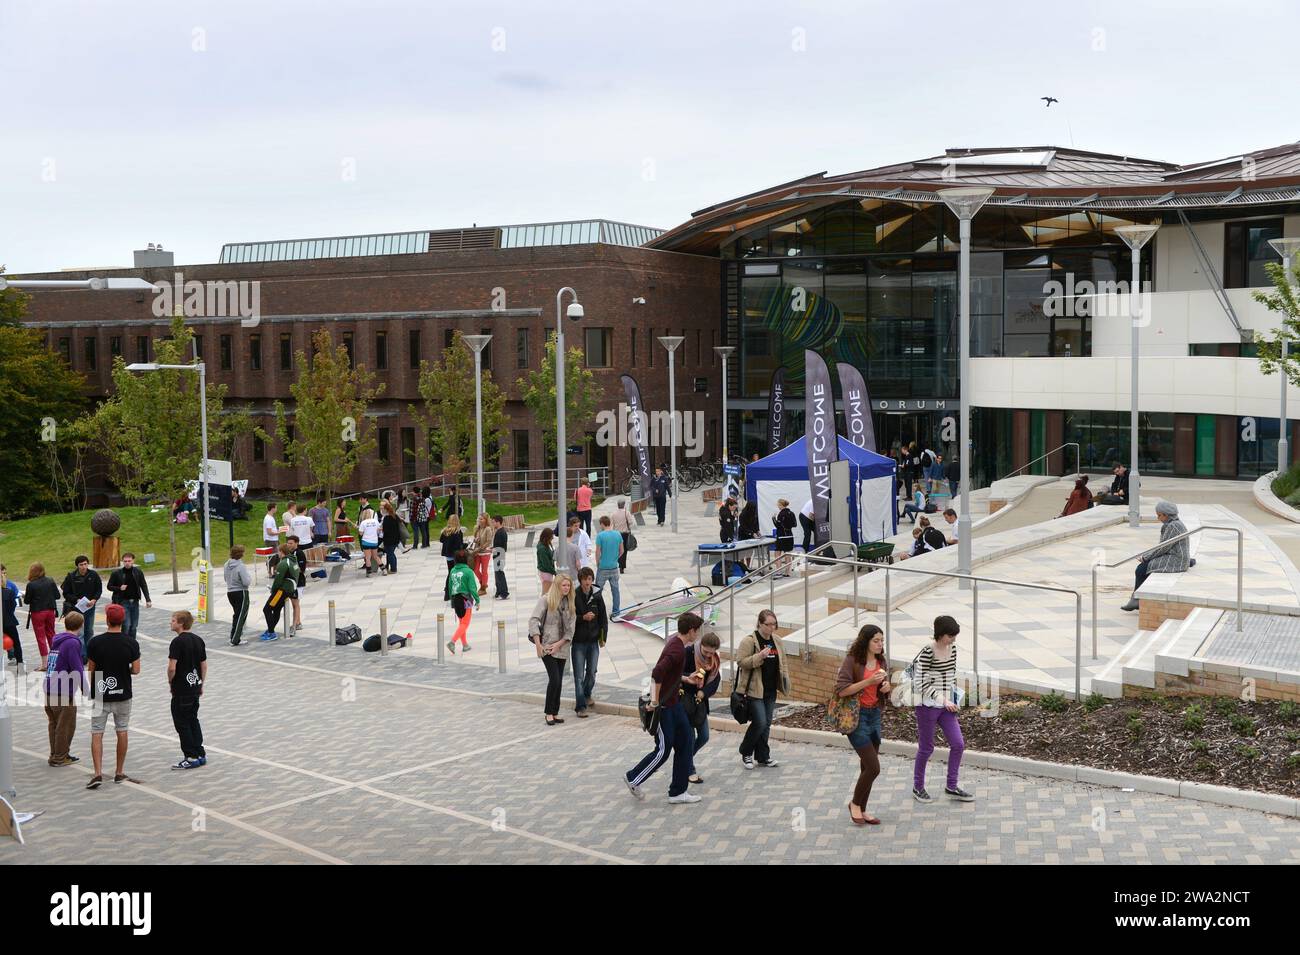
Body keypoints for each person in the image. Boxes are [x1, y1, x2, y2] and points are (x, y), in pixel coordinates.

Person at [623, 611, 704, 804]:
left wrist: (685, 678)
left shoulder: (678, 645)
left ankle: (678, 792)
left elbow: (669, 675)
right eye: (698, 631)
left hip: (675, 705)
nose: (699, 634)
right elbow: (657, 673)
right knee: (664, 749)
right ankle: (633, 778)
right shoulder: (676, 649)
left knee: (686, 742)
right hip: (665, 709)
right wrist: (654, 702)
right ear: (691, 631)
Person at [912, 614, 973, 803]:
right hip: (927, 706)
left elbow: (950, 675)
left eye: (955, 635)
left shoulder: (952, 649)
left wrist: (952, 697)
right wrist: (941, 698)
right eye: (950, 635)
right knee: (926, 748)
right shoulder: (928, 651)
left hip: (946, 705)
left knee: (958, 744)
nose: (953, 639)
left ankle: (951, 786)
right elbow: (919, 681)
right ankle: (918, 787)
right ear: (940, 634)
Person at [835, 624, 892, 825]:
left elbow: (883, 688)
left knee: (866, 766)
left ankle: (862, 808)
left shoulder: (881, 660)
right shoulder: (852, 661)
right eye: (876, 641)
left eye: (882, 640)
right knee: (874, 768)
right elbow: (842, 690)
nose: (880, 644)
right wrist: (868, 683)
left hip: (874, 714)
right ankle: (855, 804)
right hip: (856, 717)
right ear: (865, 641)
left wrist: (886, 687)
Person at [84, 603, 141, 788]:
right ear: (122, 620)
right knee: (122, 730)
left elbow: (91, 669)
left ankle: (98, 773)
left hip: (101, 691)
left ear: (107, 620)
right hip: (123, 690)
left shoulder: (95, 642)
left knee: (96, 732)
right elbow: (136, 670)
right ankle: (119, 771)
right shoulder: (131, 642)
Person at [735, 609, 790, 769]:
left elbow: (783, 661)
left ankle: (763, 756)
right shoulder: (750, 641)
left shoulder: (777, 640)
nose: (771, 628)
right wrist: (759, 657)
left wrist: (785, 679)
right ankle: (746, 752)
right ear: (760, 623)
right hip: (754, 690)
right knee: (759, 722)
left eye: (774, 624)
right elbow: (740, 661)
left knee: (766, 725)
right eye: (768, 624)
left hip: (771, 690)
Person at [1121, 500, 1191, 612]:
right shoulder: (1174, 524)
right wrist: (1148, 556)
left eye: (1159, 515)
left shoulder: (1173, 526)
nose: (1158, 518)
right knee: (1146, 567)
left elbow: (1163, 547)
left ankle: (1136, 599)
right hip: (1175, 556)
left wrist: (1145, 557)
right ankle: (1139, 598)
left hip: (1176, 560)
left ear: (1166, 515)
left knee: (1141, 569)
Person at [529, 572, 575, 725]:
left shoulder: (570, 604)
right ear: (557, 586)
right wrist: (538, 645)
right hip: (547, 647)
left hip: (561, 647)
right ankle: (548, 712)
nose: (566, 588)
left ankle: (555, 712)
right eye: (564, 585)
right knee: (554, 679)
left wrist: (559, 644)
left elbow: (570, 630)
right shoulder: (546, 600)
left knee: (559, 681)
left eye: (568, 585)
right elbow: (533, 620)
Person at [167, 610, 208, 770]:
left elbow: (172, 667)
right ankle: (200, 753)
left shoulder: (177, 642)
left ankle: (190, 756)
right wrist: (201, 684)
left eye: (173, 620)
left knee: (182, 723)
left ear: (181, 623)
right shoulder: (198, 640)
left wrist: (170, 682)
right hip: (195, 687)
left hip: (181, 689)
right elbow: (203, 665)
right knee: (193, 719)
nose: (170, 623)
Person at [682, 630, 722, 785]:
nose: (707, 656)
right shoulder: (688, 652)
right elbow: (678, 672)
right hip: (685, 699)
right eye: (706, 651)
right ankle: (689, 769)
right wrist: (690, 678)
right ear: (701, 645)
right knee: (690, 738)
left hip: (700, 702)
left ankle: (683, 760)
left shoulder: (714, 660)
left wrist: (703, 692)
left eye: (711, 653)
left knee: (704, 736)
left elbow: (715, 680)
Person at [571, 567, 607, 716]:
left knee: (592, 672)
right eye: (585, 579)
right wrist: (583, 618)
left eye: (590, 579)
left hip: (593, 641)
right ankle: (580, 706)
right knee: (579, 675)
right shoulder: (574, 595)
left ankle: (586, 694)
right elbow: (570, 618)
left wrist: (602, 637)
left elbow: (603, 618)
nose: (587, 582)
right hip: (578, 642)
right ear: (580, 580)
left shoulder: (597, 596)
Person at [61, 555, 102, 662]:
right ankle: (82, 656)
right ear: (77, 566)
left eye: (85, 564)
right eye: (81, 565)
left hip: (90, 607)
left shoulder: (93, 574)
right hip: (76, 609)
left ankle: (89, 655)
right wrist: (76, 600)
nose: (83, 566)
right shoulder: (71, 576)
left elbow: (99, 589)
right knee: (80, 633)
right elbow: (66, 593)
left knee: (89, 631)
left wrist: (94, 599)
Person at [106, 552, 151, 643]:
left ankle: (132, 645)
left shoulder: (138, 572)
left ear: (133, 561)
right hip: (123, 602)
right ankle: (124, 645)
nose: (127, 563)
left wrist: (148, 599)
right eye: (125, 561)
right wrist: (119, 588)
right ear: (122, 562)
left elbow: (143, 585)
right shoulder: (116, 573)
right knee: (126, 625)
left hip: (135, 601)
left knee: (134, 626)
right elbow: (109, 586)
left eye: (129, 561)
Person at [25, 562, 61, 669]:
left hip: (38, 612)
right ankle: (56, 660)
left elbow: (27, 601)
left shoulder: (31, 584)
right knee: (51, 634)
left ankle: (45, 664)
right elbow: (57, 596)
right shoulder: (50, 580)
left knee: (41, 637)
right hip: (50, 611)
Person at [259, 541, 296, 641]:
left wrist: (273, 590)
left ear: (281, 552)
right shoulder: (293, 561)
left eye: (278, 552)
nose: (278, 554)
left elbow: (278, 581)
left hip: (281, 591)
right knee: (276, 610)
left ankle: (271, 633)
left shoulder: (283, 563)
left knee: (267, 609)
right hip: (289, 589)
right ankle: (271, 629)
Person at [445, 549, 480, 654]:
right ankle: (452, 642)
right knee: (465, 623)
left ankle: (465, 645)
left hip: (456, 599)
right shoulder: (468, 571)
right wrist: (477, 600)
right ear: (466, 559)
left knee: (461, 623)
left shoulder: (453, 570)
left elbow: (450, 586)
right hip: (466, 599)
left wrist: (452, 599)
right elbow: (472, 588)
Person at [593, 514, 624, 616]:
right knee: (615, 591)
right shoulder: (617, 534)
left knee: (597, 591)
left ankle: (596, 611)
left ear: (602, 524)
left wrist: (598, 562)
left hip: (603, 567)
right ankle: (616, 611)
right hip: (614, 567)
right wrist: (615, 558)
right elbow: (622, 551)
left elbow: (597, 552)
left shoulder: (600, 536)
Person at [224, 544, 252, 646]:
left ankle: (233, 636)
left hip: (230, 592)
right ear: (241, 554)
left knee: (237, 615)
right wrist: (249, 577)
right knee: (241, 616)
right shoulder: (241, 566)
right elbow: (246, 582)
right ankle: (235, 639)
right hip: (241, 592)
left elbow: (225, 578)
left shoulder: (226, 564)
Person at [2, 565, 23, 672]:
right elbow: (13, 605)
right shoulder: (8, 591)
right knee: (16, 643)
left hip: (7, 620)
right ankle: (20, 666)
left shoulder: (11, 588)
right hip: (9, 621)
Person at [285, 535, 307, 632]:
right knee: (294, 603)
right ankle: (297, 621)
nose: (289, 545)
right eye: (288, 543)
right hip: (292, 581)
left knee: (295, 603)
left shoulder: (299, 553)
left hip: (299, 582)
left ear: (296, 543)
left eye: (291, 543)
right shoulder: (290, 552)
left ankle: (297, 623)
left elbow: (302, 569)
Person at [440, 514, 464, 600]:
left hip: (448, 555)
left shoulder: (446, 531)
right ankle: (455, 591)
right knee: (455, 573)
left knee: (450, 572)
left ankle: (447, 592)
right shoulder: (457, 532)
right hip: (455, 555)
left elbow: (441, 540)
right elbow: (459, 544)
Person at [470, 512, 493, 595]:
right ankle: (483, 583)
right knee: (475, 569)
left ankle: (483, 588)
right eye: (478, 518)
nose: (479, 520)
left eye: (481, 519)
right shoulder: (477, 528)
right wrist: (476, 540)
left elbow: (489, 541)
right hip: (477, 552)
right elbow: (474, 539)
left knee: (484, 571)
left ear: (486, 520)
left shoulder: (488, 529)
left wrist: (481, 548)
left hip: (485, 552)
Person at [772, 498, 796, 577]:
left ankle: (779, 571)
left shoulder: (781, 514)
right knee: (787, 554)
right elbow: (794, 524)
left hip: (782, 536)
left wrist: (773, 518)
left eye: (778, 505)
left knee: (777, 553)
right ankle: (787, 572)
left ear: (780, 505)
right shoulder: (791, 513)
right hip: (790, 535)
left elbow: (778, 526)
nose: (778, 507)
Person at [356, 506, 381, 576]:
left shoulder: (363, 522)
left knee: (368, 558)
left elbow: (360, 533)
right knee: (376, 556)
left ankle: (369, 573)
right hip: (374, 541)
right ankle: (383, 569)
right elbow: (378, 531)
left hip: (366, 542)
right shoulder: (376, 521)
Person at [609, 499, 633, 573]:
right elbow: (631, 523)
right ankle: (622, 566)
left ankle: (617, 563)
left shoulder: (613, 514)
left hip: (616, 534)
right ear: (624, 505)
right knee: (624, 550)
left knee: (617, 550)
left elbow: (611, 525)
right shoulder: (627, 513)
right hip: (624, 534)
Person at [491, 514, 510, 599]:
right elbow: (498, 545)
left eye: (493, 522)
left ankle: (504, 593)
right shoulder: (500, 531)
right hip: (498, 555)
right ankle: (498, 591)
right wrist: (492, 548)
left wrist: (492, 550)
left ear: (498, 522)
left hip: (499, 556)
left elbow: (502, 547)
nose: (493, 524)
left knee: (499, 574)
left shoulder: (501, 532)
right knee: (497, 574)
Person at [380, 499, 402, 575]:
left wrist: (381, 529)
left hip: (389, 539)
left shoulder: (386, 518)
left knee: (390, 554)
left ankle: (393, 569)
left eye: (382, 509)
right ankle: (393, 568)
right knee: (392, 553)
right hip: (396, 538)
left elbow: (385, 530)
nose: (381, 510)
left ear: (386, 510)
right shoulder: (394, 516)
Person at [536, 526, 556, 591]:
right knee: (546, 592)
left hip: (546, 572)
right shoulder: (542, 549)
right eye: (551, 537)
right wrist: (555, 573)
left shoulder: (545, 544)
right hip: (545, 573)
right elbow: (546, 564)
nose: (552, 538)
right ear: (547, 537)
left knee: (547, 591)